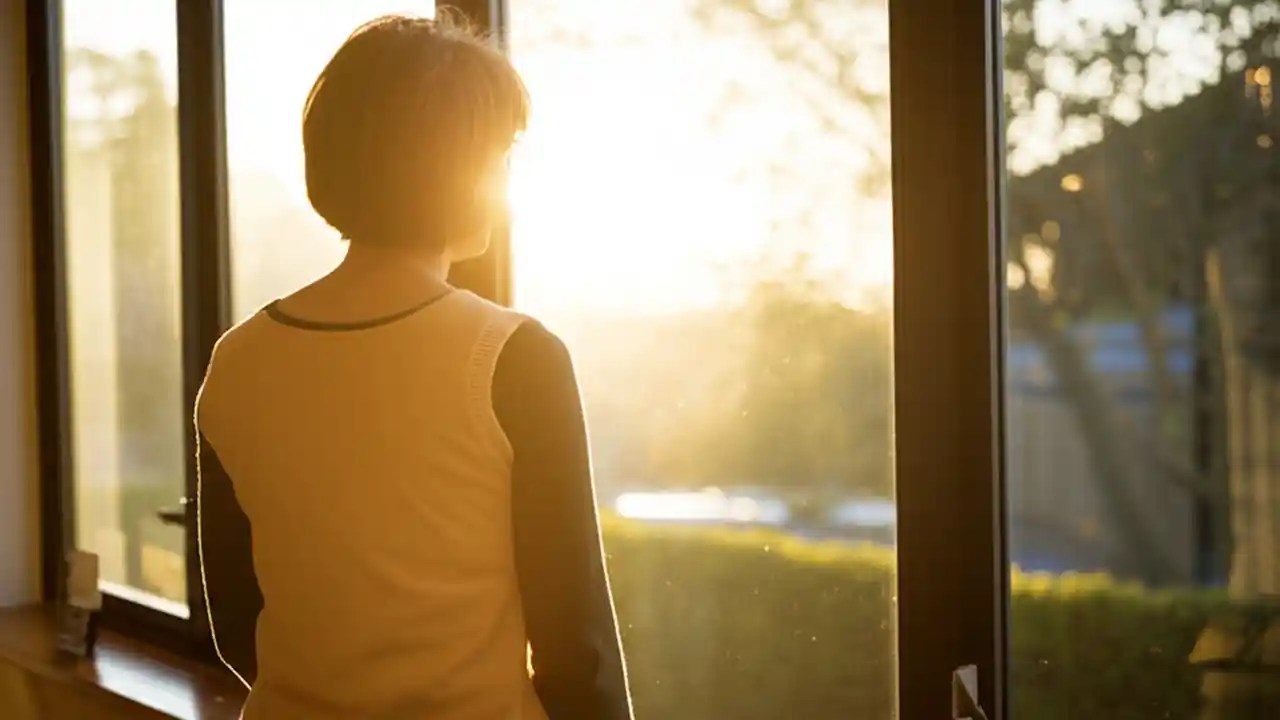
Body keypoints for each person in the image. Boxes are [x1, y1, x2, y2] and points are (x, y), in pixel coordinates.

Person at [195, 14, 632, 720]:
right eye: (498, 153)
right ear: (458, 169)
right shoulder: (513, 358)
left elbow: (238, 620)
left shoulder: (237, 357)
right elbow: (575, 649)